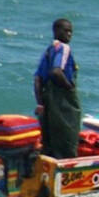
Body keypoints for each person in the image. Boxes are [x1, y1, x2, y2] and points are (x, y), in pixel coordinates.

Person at [33, 18, 81, 158]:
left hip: (47, 97)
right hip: (62, 98)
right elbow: (56, 71)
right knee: (68, 130)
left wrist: (40, 102)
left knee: (49, 132)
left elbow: (37, 79)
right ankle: (67, 163)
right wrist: (69, 86)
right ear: (56, 31)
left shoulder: (49, 50)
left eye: (71, 31)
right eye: (65, 30)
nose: (69, 34)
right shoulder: (64, 48)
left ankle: (48, 160)